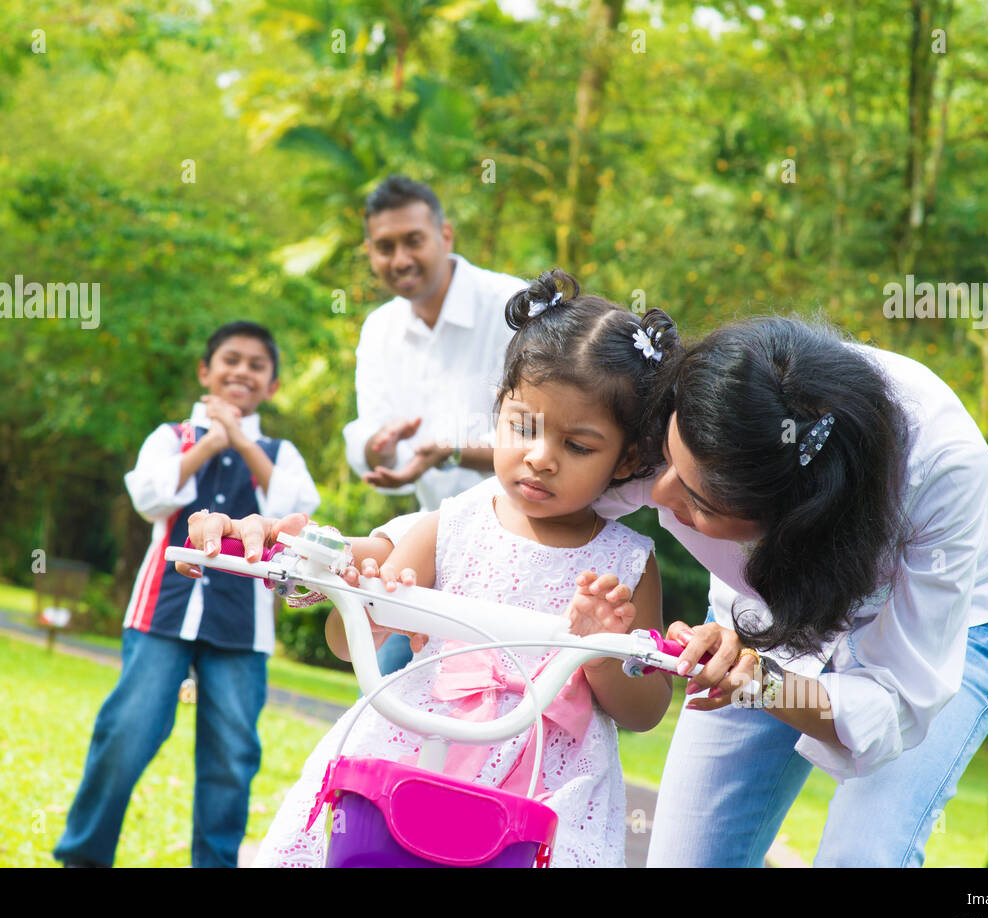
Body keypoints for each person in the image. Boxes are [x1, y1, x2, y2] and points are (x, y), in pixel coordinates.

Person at [191, 270, 681, 866]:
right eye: (522, 426)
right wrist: (370, 603)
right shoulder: (452, 523)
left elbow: (646, 710)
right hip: (418, 741)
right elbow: (347, 643)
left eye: (578, 446)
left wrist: (600, 648)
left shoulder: (625, 564)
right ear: (499, 411)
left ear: (627, 457)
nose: (539, 457)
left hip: (547, 784)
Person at [602, 316, 988, 867]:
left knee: (861, 854)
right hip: (766, 611)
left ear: (789, 523)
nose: (661, 494)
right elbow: (554, 486)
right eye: (669, 462)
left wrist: (762, 683)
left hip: (963, 620)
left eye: (700, 504)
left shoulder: (940, 469)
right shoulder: (717, 404)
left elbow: (894, 707)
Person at [54, 321, 320, 868]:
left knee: (231, 755)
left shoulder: (279, 451)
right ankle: (83, 857)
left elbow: (296, 512)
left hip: (243, 627)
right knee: (126, 731)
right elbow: (150, 497)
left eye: (256, 365)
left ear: (271, 385)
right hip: (161, 611)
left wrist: (241, 441)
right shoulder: (169, 437)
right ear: (206, 371)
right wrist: (210, 444)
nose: (241, 371)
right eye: (230, 360)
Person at [342, 175, 526, 675]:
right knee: (383, 699)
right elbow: (368, 437)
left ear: (445, 236)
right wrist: (380, 450)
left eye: (413, 241)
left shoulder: (515, 307)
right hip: (433, 546)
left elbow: (542, 438)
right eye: (384, 247)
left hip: (524, 542)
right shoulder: (380, 328)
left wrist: (448, 452)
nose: (399, 258)